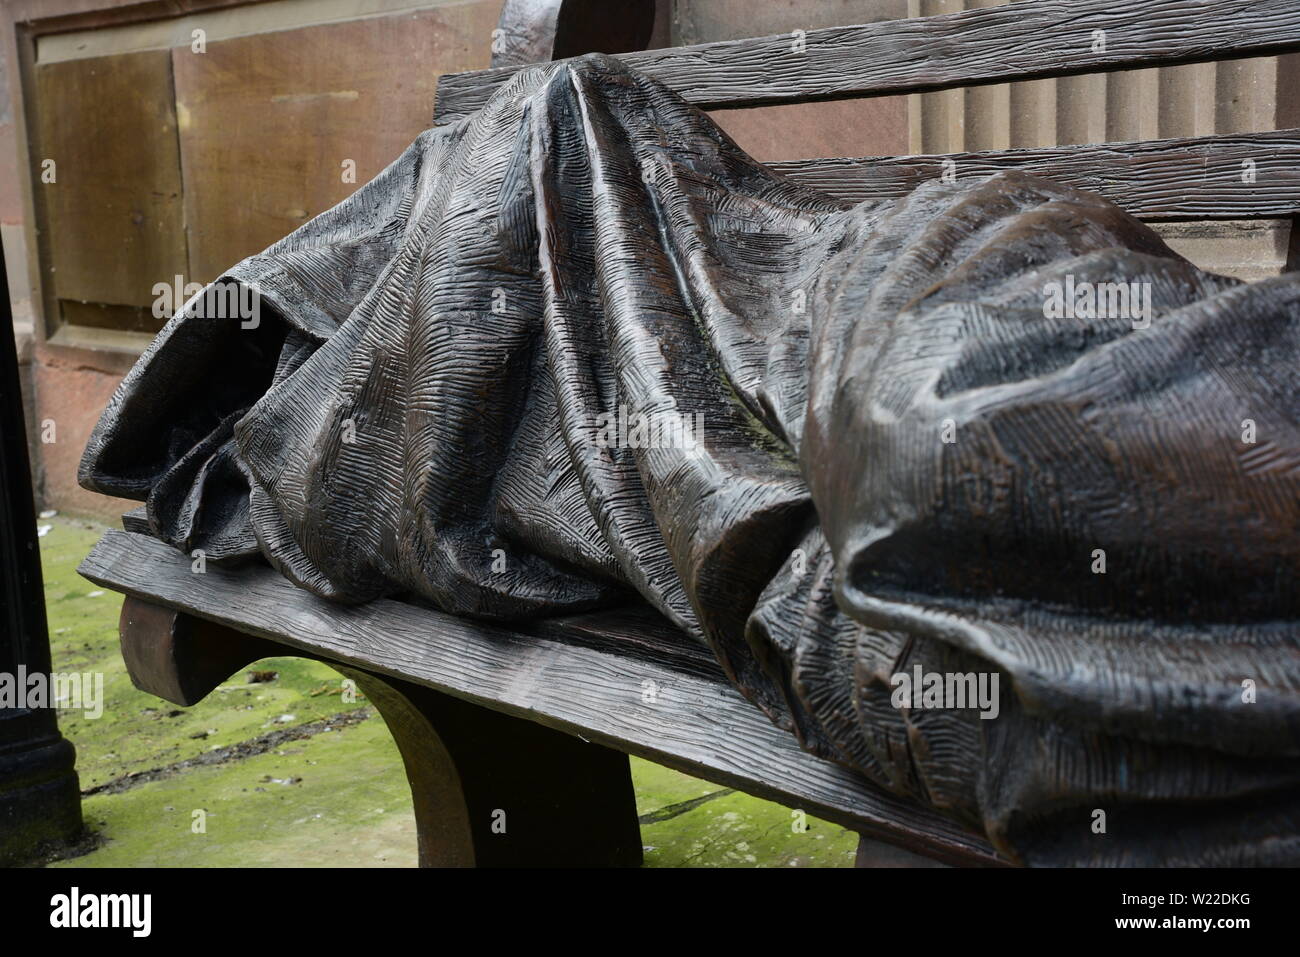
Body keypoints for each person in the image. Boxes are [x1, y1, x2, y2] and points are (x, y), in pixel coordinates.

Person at [81, 54, 1300, 866]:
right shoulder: (425, 397)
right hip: (866, 353)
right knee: (927, 472)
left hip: (855, 298)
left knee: (928, 442)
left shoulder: (536, 161)